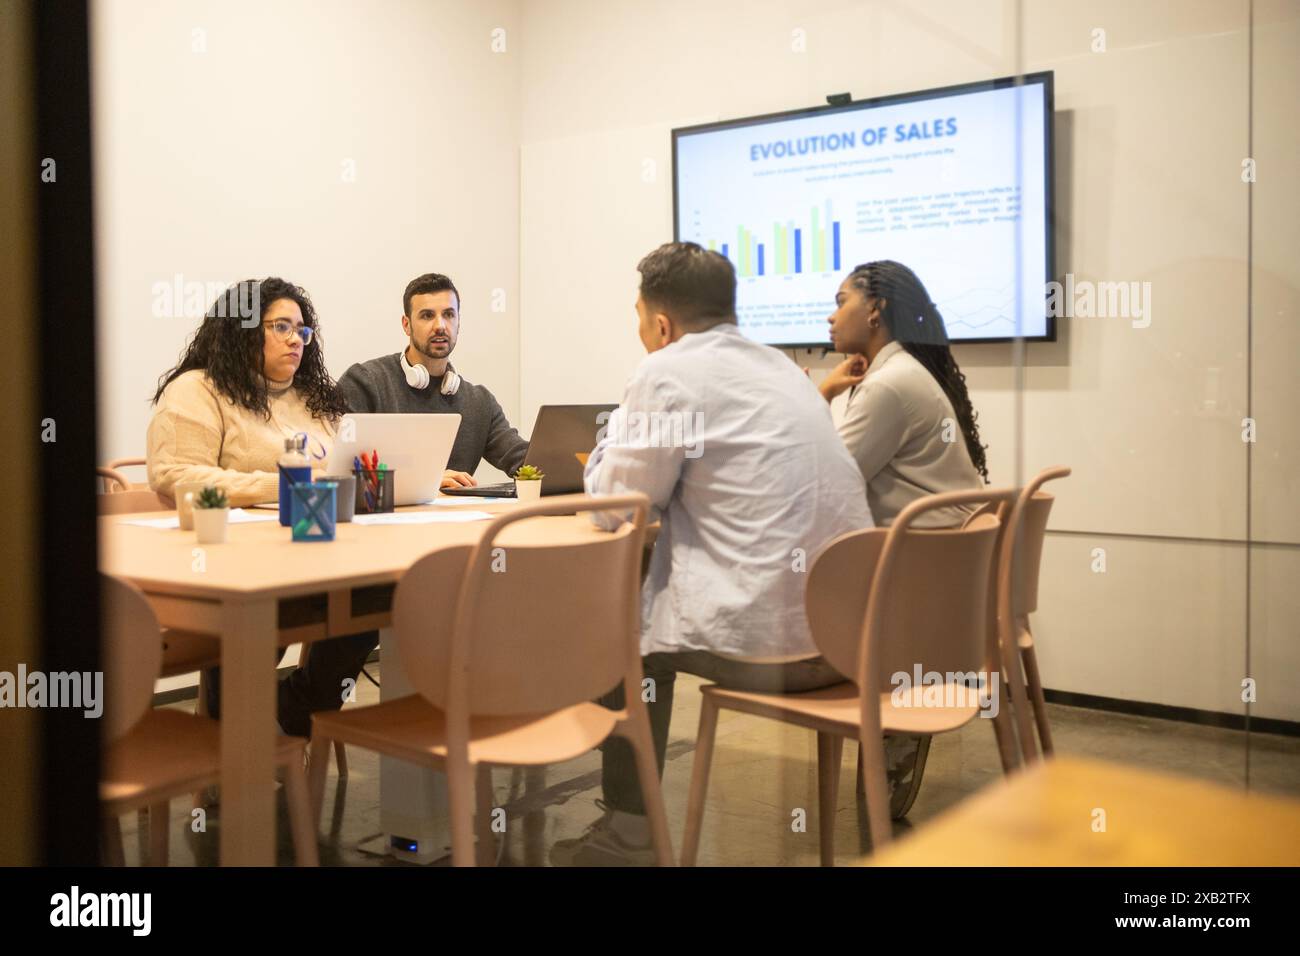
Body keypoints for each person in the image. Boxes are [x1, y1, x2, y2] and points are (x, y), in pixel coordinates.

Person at [551, 242, 872, 866]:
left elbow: (615, 509)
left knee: (624, 635)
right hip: (851, 638)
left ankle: (629, 833)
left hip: (781, 647)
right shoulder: (780, 367)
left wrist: (605, 464)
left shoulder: (665, 371)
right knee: (648, 590)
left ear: (661, 324)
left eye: (639, 316)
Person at [147, 277, 377, 737]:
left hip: (317, 551)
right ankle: (237, 734)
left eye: (303, 330)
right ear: (242, 329)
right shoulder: (197, 390)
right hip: (232, 563)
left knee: (377, 598)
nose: (297, 340)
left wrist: (387, 476)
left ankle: (294, 712)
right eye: (282, 327)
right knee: (262, 621)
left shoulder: (312, 396)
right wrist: (282, 483)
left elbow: (340, 466)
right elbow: (176, 475)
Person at [819, 259, 989, 819]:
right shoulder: (906, 374)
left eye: (840, 299)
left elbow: (823, 482)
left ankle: (887, 698)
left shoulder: (888, 385)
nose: (830, 313)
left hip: (909, 596)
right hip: (942, 592)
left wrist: (818, 396)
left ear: (875, 309)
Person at [337, 273, 528, 489]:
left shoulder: (479, 402)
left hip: (459, 522)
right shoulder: (365, 382)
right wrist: (426, 481)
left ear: (459, 322)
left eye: (448, 315)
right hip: (384, 520)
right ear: (406, 325)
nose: (440, 325)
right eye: (427, 316)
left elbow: (523, 460)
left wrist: (568, 461)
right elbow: (340, 470)